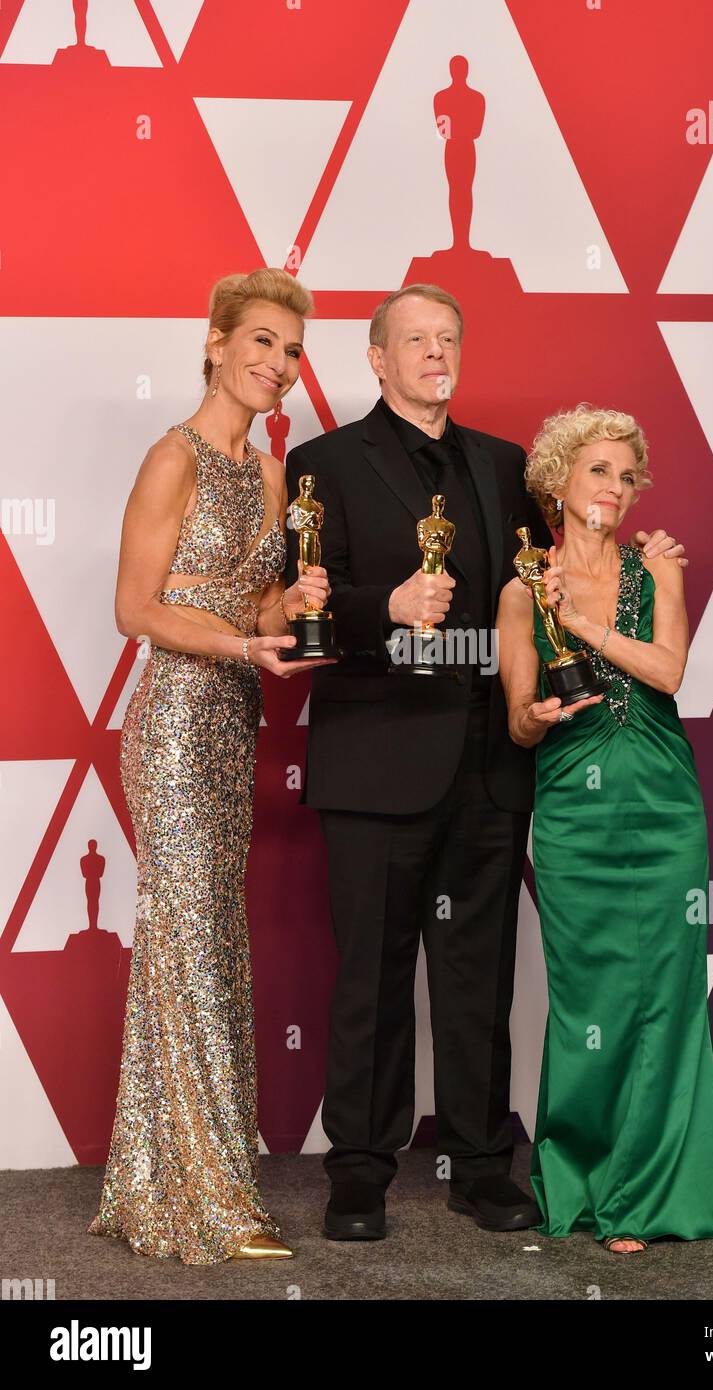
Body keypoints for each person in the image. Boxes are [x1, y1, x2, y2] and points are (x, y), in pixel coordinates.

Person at [284, 286, 687, 1239]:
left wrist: (645, 560)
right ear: (376, 359)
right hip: (377, 760)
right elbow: (301, 608)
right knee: (371, 977)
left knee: (480, 978)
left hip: (493, 762)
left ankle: (478, 1162)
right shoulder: (322, 463)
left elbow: (562, 575)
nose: (436, 352)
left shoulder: (506, 466)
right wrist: (384, 605)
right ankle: (360, 1170)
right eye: (415, 340)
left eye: (448, 337)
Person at [89, 268, 332, 1264]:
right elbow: (135, 610)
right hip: (173, 724)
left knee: (209, 946)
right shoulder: (171, 457)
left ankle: (170, 1178)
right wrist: (242, 645)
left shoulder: (273, 478)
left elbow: (262, 612)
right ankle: (208, 1196)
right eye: (263, 342)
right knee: (187, 942)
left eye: (291, 350)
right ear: (216, 341)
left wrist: (296, 600)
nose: (278, 365)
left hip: (231, 725)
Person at [497, 405, 713, 1254]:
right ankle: (581, 1179)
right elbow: (520, 724)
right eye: (597, 469)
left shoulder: (655, 570)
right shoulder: (520, 590)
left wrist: (590, 623)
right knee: (591, 1000)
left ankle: (645, 1194)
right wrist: (535, 714)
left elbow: (669, 671)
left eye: (625, 474)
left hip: (665, 799)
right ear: (558, 481)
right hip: (572, 805)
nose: (613, 486)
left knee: (668, 996)